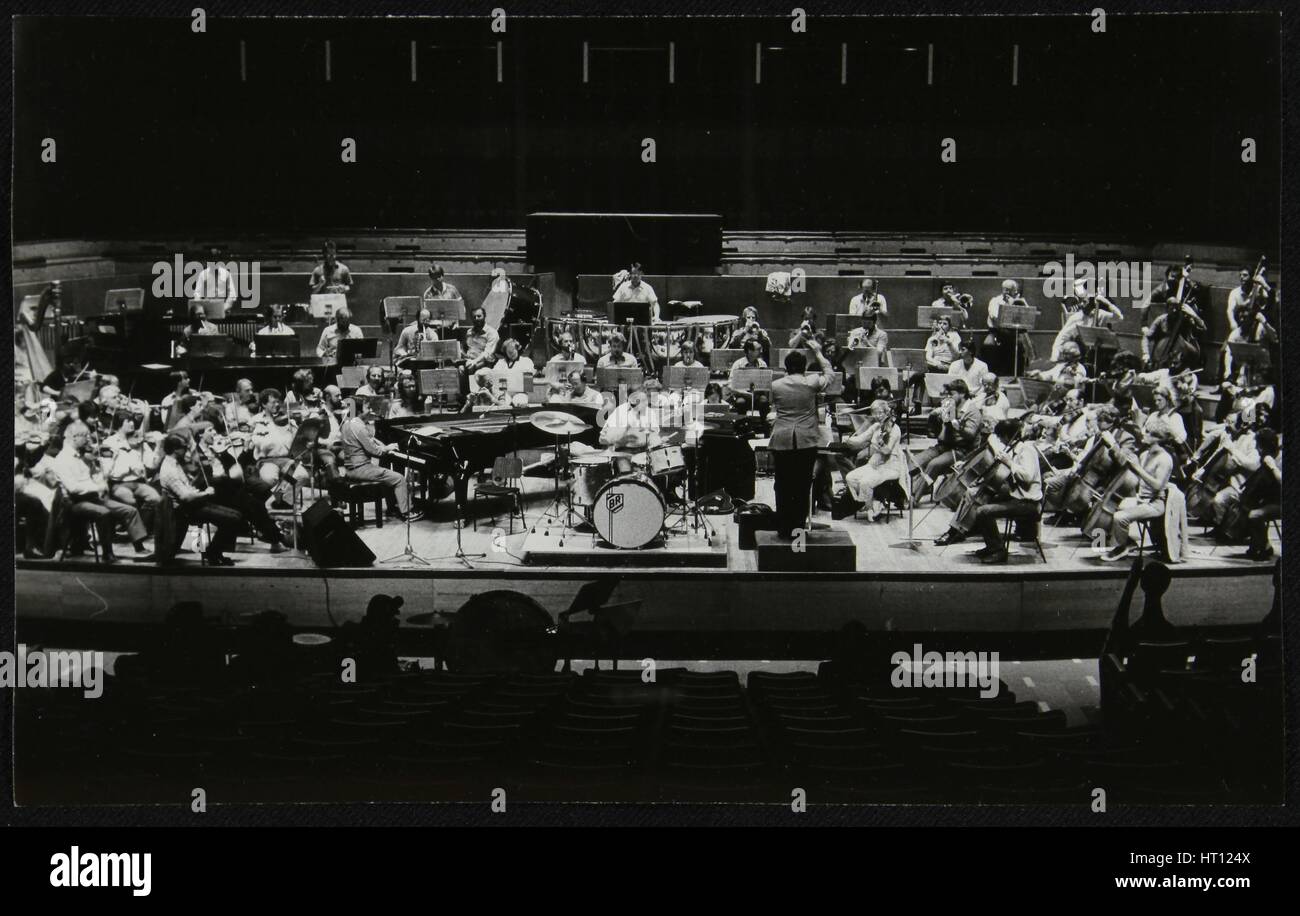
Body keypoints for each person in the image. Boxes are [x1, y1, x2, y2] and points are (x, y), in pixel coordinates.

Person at [934, 418, 1043, 564]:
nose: (999, 440)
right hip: (1016, 496)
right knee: (974, 494)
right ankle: (959, 531)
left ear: (1006, 436)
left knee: (983, 511)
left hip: (1027, 503)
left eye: (1000, 437)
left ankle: (998, 550)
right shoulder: (1015, 448)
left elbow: (1027, 477)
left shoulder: (1027, 450)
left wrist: (1009, 462)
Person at [46, 424, 152, 562]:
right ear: (74, 437)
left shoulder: (83, 456)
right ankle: (107, 554)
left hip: (92, 498)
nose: (89, 440)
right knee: (104, 513)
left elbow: (95, 477)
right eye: (86, 437)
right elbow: (73, 488)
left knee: (129, 510)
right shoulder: (62, 459)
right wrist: (97, 488)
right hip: (74, 502)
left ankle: (139, 548)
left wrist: (100, 477)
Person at [768, 341, 833, 539]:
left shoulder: (775, 385)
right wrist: (818, 352)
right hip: (805, 440)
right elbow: (830, 373)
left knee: (782, 483)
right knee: (802, 485)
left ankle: (783, 528)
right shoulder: (811, 381)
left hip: (782, 439)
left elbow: (774, 409)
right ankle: (798, 528)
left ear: (786, 367)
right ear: (804, 367)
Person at [157, 434, 246, 565]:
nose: (186, 451)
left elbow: (186, 488)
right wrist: (205, 493)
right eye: (184, 448)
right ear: (176, 449)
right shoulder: (169, 470)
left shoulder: (174, 463)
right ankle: (213, 553)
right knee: (234, 519)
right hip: (184, 510)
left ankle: (215, 552)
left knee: (237, 513)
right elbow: (185, 497)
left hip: (193, 503)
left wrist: (197, 489)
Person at [1100, 418, 1176, 561]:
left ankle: (1121, 548)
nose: (1143, 433)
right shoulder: (1144, 454)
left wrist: (1137, 468)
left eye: (1148, 432)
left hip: (1155, 504)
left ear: (1157, 438)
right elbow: (1139, 478)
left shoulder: (1165, 459)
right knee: (1111, 506)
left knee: (1119, 517)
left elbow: (1157, 485)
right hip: (1142, 499)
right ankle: (1127, 543)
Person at [910, 378, 982, 500]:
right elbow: (935, 432)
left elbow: (970, 435)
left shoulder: (972, 411)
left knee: (934, 464)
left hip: (962, 450)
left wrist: (958, 427)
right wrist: (935, 417)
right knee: (916, 461)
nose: (949, 397)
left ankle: (913, 499)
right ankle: (905, 493)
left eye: (952, 394)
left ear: (962, 393)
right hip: (945, 446)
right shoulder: (951, 406)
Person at [339, 410, 415, 520]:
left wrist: (385, 446)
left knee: (389, 478)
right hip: (361, 469)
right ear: (360, 411)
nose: (369, 410)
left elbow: (372, 440)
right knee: (399, 479)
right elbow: (375, 451)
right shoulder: (360, 427)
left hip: (351, 468)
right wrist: (387, 448)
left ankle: (393, 507)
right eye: (367, 407)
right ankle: (407, 512)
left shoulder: (347, 424)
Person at [840, 400, 907, 521]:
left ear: (887, 413)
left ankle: (870, 508)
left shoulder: (895, 429)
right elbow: (861, 439)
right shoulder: (876, 426)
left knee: (865, 482)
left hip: (890, 466)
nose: (878, 416)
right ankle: (870, 502)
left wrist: (880, 444)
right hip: (875, 464)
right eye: (875, 413)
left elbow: (887, 451)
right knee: (850, 477)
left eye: (880, 413)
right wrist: (848, 440)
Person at [1239, 428, 1281, 561]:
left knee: (1253, 515)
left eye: (1258, 446)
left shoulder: (1279, 459)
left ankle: (1265, 546)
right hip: (1270, 500)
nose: (1257, 449)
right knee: (1247, 510)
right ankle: (1257, 544)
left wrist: (1273, 466)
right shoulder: (1266, 457)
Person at [462, 306, 500, 373]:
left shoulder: (492, 333)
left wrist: (474, 361)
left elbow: (487, 353)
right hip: (469, 360)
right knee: (459, 369)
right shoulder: (469, 332)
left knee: (470, 369)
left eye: (479, 316)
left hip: (484, 362)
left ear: (484, 316)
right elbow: (466, 348)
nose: (476, 319)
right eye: (474, 317)